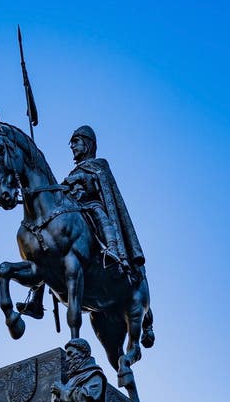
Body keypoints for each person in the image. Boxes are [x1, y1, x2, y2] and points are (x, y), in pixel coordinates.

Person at [18, 125, 146, 319]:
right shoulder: (72, 172)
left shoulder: (99, 164)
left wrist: (81, 181)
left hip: (91, 205)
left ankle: (112, 251)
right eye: (72, 143)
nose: (72, 146)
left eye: (76, 142)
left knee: (100, 216)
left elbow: (98, 183)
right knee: (47, 244)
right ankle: (36, 299)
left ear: (87, 144)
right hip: (73, 210)